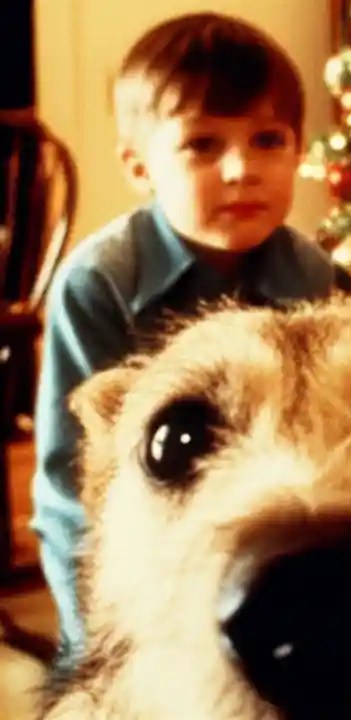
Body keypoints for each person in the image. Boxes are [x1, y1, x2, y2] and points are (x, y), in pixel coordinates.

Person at [32, 12, 334, 664]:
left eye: (268, 140)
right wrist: (98, 649)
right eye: (202, 144)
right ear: (139, 167)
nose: (241, 169)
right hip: (147, 557)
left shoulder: (309, 271)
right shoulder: (99, 283)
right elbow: (69, 485)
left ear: (299, 151)